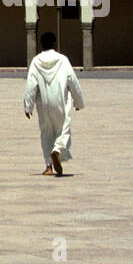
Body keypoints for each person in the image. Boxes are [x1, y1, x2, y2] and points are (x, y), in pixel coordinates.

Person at [24, 31, 85, 175]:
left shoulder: (36, 61)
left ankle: (48, 166)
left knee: (46, 132)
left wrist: (28, 105)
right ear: (54, 44)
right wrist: (78, 102)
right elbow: (73, 81)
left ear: (41, 45)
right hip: (61, 101)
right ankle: (57, 149)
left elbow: (31, 84)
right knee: (63, 128)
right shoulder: (63, 60)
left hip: (43, 103)